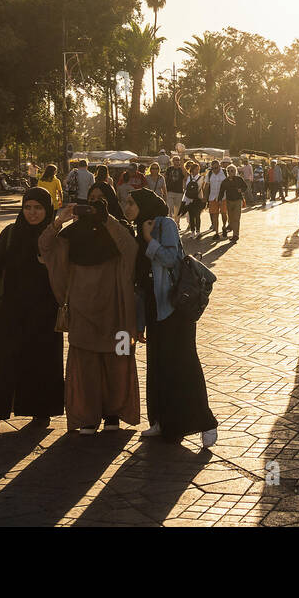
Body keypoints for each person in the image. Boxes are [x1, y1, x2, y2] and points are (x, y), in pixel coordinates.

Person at [39, 197, 140, 434]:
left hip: (114, 311)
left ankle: (112, 414)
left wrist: (106, 219)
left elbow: (130, 247)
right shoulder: (70, 238)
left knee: (117, 363)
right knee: (86, 367)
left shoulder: (115, 236)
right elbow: (45, 246)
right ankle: (88, 416)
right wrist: (59, 221)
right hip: (85, 310)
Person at [126, 189, 218, 448]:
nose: (128, 206)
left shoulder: (162, 224)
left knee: (184, 364)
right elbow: (142, 284)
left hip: (175, 308)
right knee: (158, 366)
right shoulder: (137, 229)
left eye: (132, 202)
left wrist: (148, 239)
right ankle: (162, 422)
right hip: (155, 309)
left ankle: (205, 422)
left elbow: (170, 258)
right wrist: (140, 322)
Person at [0, 187, 63, 437]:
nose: (32, 213)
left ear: (47, 210)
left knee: (43, 361)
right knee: (5, 363)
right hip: (12, 310)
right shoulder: (11, 233)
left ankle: (41, 409)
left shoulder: (55, 237)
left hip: (45, 311)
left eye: (38, 208)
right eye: (28, 207)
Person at [221, 163, 248, 242]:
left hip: (237, 201)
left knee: (236, 218)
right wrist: (219, 199)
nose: (230, 172)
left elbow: (245, 187)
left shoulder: (239, 179)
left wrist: (241, 190)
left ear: (235, 171)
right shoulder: (225, 181)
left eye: (232, 171)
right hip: (229, 201)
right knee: (231, 218)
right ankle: (231, 229)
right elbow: (222, 190)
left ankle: (236, 235)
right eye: (228, 171)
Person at [204, 160, 227, 237]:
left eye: (216, 168)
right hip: (212, 197)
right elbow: (206, 186)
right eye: (213, 168)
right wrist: (205, 196)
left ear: (219, 166)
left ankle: (224, 226)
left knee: (224, 214)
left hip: (223, 197)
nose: (215, 170)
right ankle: (216, 233)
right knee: (214, 215)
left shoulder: (224, 172)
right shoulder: (210, 174)